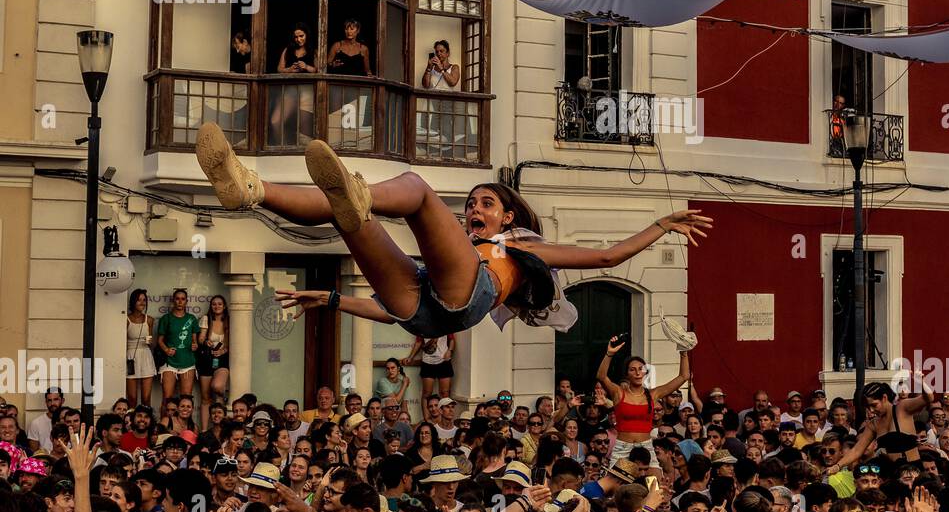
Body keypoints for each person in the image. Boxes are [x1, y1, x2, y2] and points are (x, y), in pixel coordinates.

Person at [194, 123, 711, 349]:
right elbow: (392, 311)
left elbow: (605, 257)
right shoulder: (461, 252)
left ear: (510, 217)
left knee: (417, 189)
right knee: (344, 215)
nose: (473, 209)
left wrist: (661, 225)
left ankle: (361, 194)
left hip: (469, 295)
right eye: (471, 204)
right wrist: (332, 299)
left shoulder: (520, 244)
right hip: (424, 314)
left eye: (486, 203)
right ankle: (251, 189)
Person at [597, 337, 691, 474]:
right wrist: (609, 354)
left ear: (645, 372)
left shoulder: (653, 394)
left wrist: (683, 352)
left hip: (646, 446)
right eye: (632, 370)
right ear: (627, 374)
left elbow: (683, 376)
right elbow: (601, 376)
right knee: (617, 488)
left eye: (640, 369)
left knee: (655, 483)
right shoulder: (618, 393)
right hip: (623, 447)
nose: (637, 373)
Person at [269, 24, 316, 142]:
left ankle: (305, 152)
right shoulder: (288, 50)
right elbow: (279, 69)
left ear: (307, 35)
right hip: (290, 89)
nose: (298, 39)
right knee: (275, 121)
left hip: (307, 90)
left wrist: (306, 67)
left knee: (305, 127)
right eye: (296, 37)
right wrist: (289, 70)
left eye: (301, 36)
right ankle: (283, 146)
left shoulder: (313, 51)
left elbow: (319, 70)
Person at [156, 289, 200, 404]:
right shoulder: (166, 318)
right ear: (173, 301)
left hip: (188, 362)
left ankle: (184, 423)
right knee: (167, 399)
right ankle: (165, 422)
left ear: (186, 301)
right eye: (177, 299)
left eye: (183, 299)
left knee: (186, 399)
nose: (180, 301)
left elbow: (195, 340)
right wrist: (166, 350)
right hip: (169, 362)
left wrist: (195, 345)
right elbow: (159, 340)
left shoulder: (191, 319)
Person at [197, 295, 231, 431]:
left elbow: (232, 342)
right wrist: (206, 342)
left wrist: (224, 351)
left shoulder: (229, 321)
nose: (217, 306)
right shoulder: (206, 319)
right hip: (207, 358)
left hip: (222, 359)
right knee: (206, 398)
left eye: (219, 304)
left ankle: (221, 429)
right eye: (214, 304)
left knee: (217, 387)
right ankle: (205, 430)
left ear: (224, 306)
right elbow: (200, 339)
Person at [124, 290, 157, 409]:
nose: (142, 303)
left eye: (144, 300)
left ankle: (147, 423)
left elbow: (152, 343)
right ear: (133, 301)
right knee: (132, 398)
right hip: (131, 357)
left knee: (146, 398)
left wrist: (150, 342)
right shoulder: (125, 319)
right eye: (139, 300)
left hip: (146, 356)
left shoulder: (149, 320)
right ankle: (131, 424)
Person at [405, 334, 455, 403]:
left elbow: (451, 339)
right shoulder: (422, 325)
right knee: (426, 394)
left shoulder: (445, 324)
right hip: (428, 362)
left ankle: (443, 413)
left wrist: (450, 350)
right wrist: (410, 357)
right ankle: (426, 414)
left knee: (445, 393)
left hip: (444, 361)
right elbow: (418, 342)